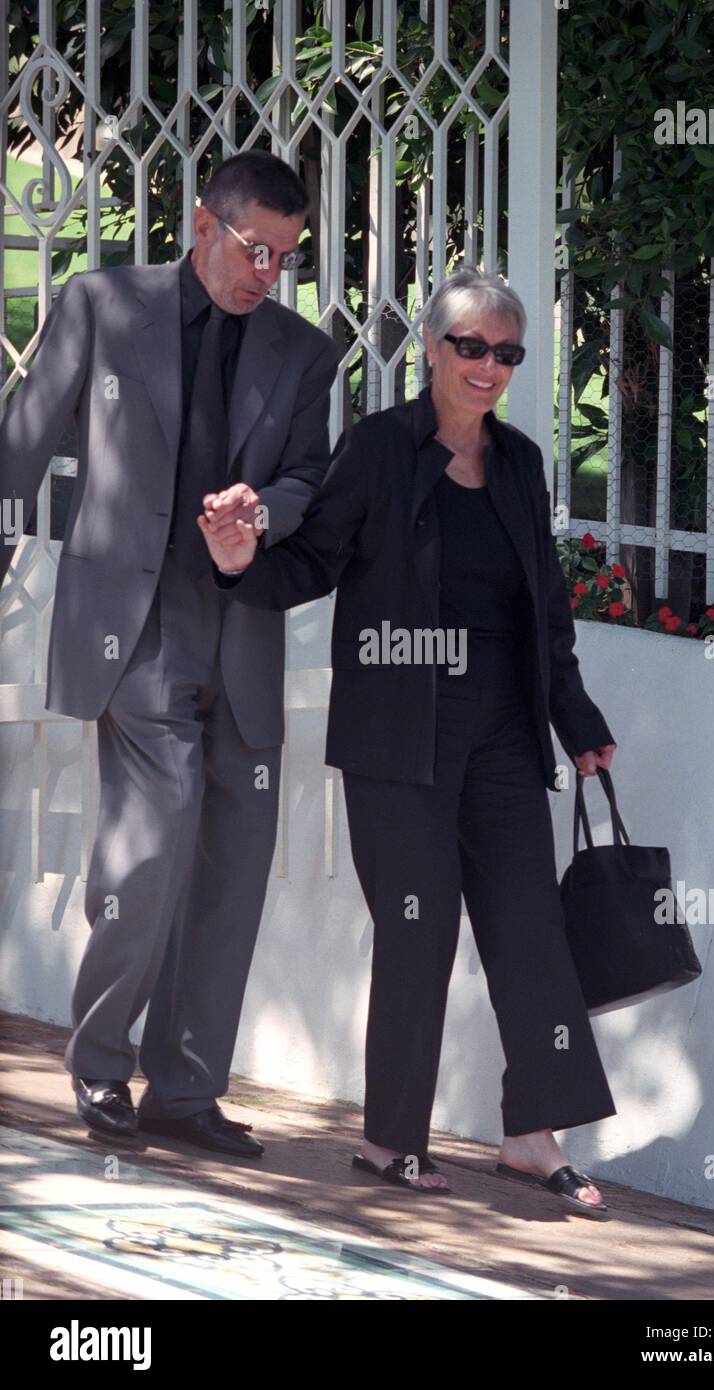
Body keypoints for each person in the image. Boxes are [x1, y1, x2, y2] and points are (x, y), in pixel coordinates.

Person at [199, 267, 618, 1213]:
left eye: (506, 352)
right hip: (399, 741)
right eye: (470, 346)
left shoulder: (518, 464)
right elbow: (315, 561)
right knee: (418, 936)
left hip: (504, 737)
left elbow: (544, 609)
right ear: (430, 349)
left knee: (531, 930)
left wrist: (577, 721)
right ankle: (392, 1140)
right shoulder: (380, 450)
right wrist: (238, 564)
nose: (488, 367)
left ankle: (531, 1133)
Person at [0, 150, 338, 1156]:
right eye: (252, 247)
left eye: (284, 255)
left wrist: (260, 518)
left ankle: (187, 1094)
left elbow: (311, 476)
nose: (265, 270)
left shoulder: (303, 352)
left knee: (231, 870)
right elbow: (17, 450)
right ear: (203, 224)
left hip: (241, 631)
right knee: (151, 848)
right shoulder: (102, 306)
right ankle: (101, 1063)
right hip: (134, 630)